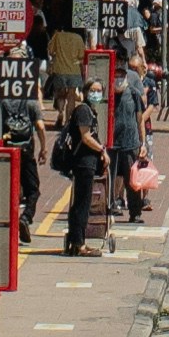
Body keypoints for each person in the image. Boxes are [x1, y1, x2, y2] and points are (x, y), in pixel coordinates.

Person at [58, 88, 107, 258]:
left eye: (100, 91)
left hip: (86, 163)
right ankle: (79, 244)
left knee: (80, 203)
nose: (97, 94)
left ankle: (75, 242)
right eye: (93, 90)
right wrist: (102, 150)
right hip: (83, 163)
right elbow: (86, 137)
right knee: (82, 204)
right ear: (86, 92)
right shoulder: (84, 110)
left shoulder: (89, 110)